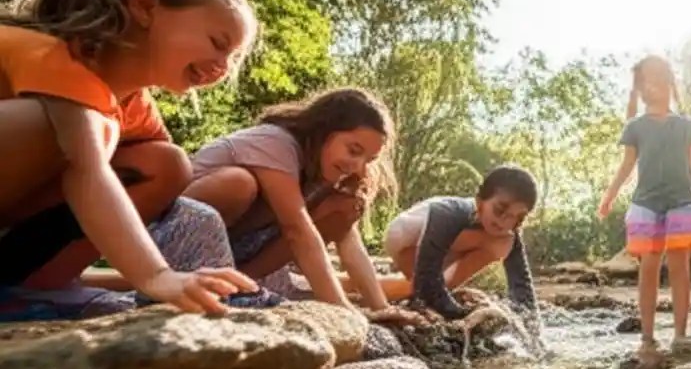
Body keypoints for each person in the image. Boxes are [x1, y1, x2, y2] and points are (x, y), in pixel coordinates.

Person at [0, 0, 259, 318]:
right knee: (83, 134)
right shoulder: (58, 58)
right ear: (144, 6)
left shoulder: (130, 104)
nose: (222, 67)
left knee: (165, 164)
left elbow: (164, 186)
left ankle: (34, 287)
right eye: (218, 44)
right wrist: (157, 276)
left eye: (232, 58)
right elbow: (86, 172)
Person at [184, 87, 408, 320]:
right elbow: (297, 230)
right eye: (354, 151)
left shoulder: (323, 172)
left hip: (236, 249)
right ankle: (193, 277)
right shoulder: (275, 142)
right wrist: (345, 312)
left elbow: (351, 246)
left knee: (345, 208)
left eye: (368, 160)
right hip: (183, 235)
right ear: (324, 131)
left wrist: (381, 307)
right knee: (239, 184)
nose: (358, 166)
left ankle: (241, 285)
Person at [598, 55, 691, 369]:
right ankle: (647, 337)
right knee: (649, 265)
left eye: (660, 80)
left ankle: (680, 335)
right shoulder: (635, 126)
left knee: (680, 266)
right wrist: (609, 197)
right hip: (645, 204)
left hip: (681, 201)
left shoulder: (685, 124)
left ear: (669, 84)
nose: (655, 87)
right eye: (648, 81)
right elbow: (627, 165)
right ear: (642, 87)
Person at [385, 164, 540, 323]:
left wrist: (529, 323)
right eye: (500, 210)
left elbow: (523, 287)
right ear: (480, 201)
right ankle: (428, 295)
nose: (506, 222)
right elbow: (428, 275)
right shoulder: (449, 212)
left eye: (518, 218)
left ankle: (368, 286)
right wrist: (460, 314)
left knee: (507, 240)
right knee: (424, 288)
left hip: (442, 248)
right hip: (407, 241)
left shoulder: (508, 232)